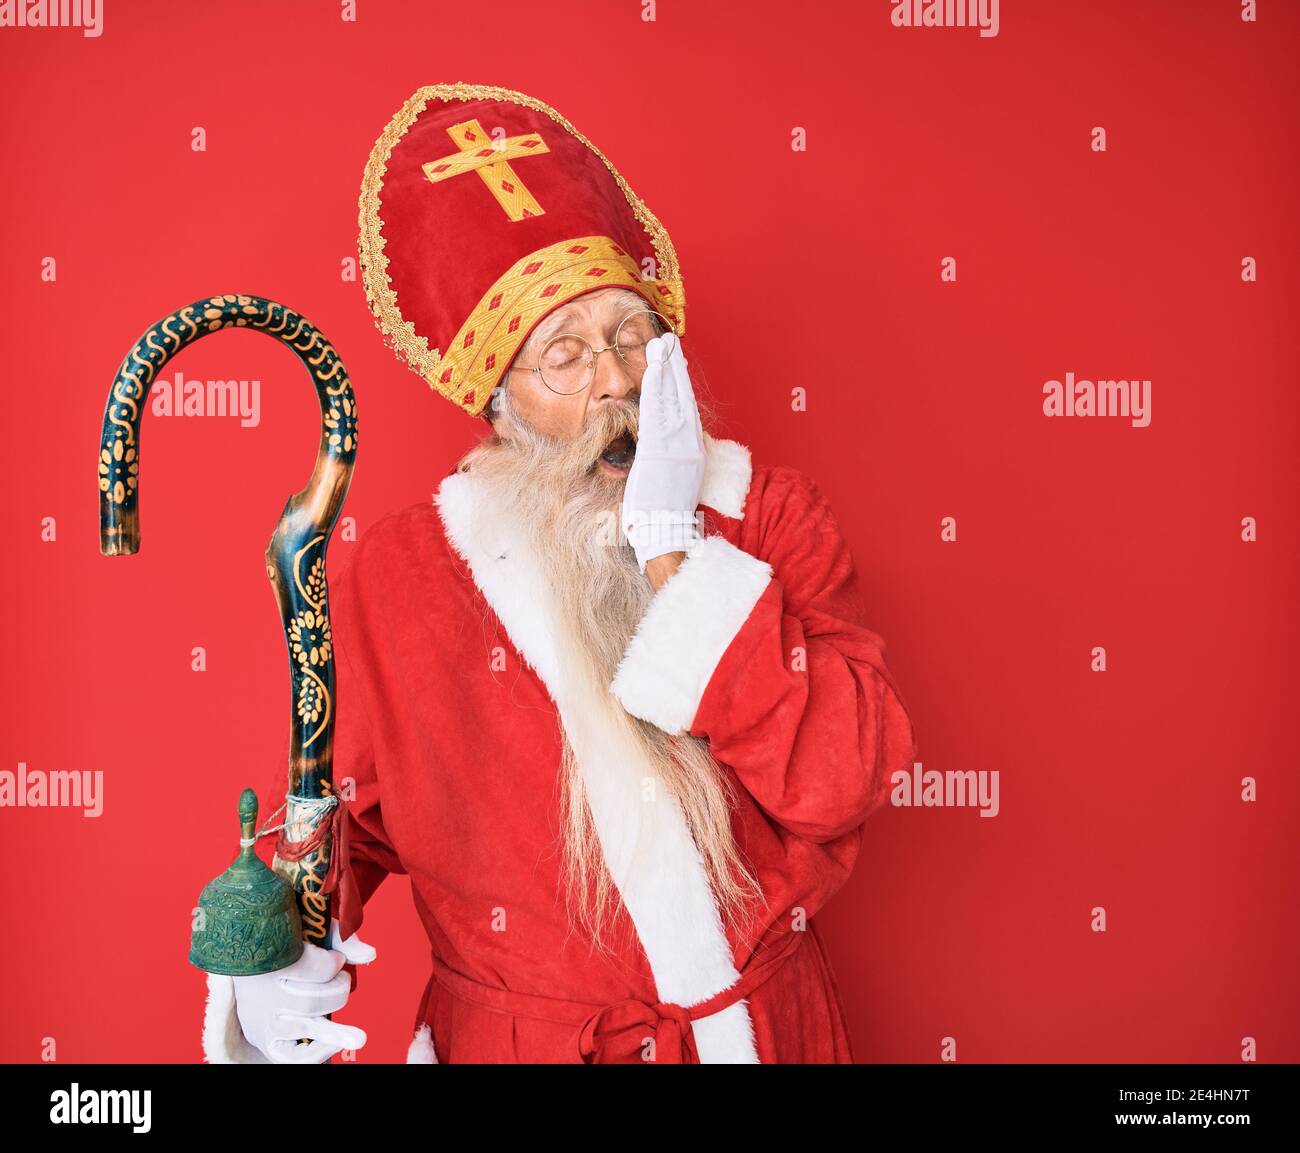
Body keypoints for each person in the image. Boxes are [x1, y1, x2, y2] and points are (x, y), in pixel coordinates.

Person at [201, 83, 915, 1064]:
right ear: (501, 406)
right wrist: (275, 946)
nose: (617, 380)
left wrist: (674, 551)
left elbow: (845, 776)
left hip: (756, 1034)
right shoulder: (402, 573)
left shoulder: (769, 515)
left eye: (631, 338)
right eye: (565, 357)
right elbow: (345, 829)